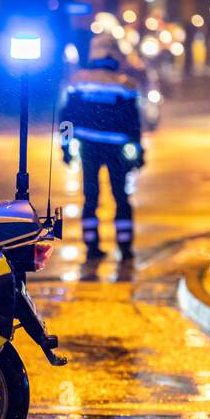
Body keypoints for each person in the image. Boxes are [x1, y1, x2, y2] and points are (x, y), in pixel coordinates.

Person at [61, 36, 145, 262]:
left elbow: (66, 119)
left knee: (91, 197)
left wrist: (66, 147)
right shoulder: (126, 84)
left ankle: (92, 246)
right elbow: (134, 122)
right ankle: (125, 247)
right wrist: (139, 151)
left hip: (89, 148)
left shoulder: (78, 82)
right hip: (117, 150)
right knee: (121, 197)